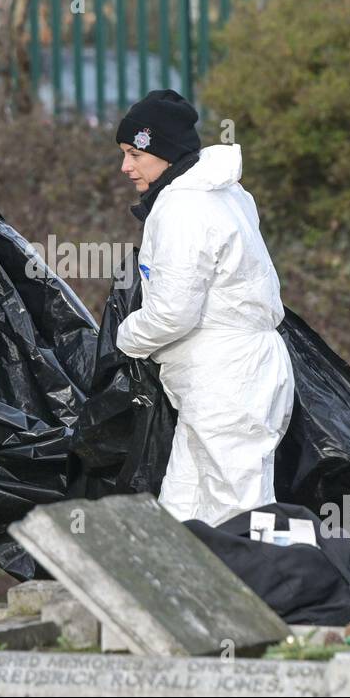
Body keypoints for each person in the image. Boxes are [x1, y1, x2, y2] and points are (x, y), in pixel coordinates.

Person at [114, 89, 295, 526]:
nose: (125, 167)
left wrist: (124, 338)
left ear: (163, 151)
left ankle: (255, 595)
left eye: (134, 154)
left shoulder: (182, 206)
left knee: (240, 516)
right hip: (226, 379)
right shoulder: (224, 194)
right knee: (185, 513)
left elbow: (174, 312)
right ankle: (177, 596)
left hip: (225, 383)